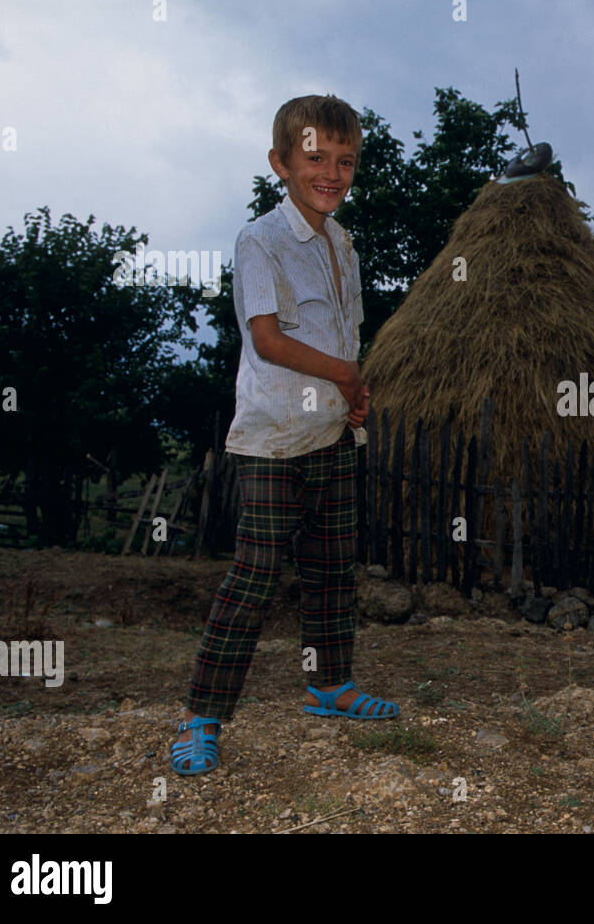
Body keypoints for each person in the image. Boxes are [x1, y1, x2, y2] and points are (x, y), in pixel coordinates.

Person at [170, 94, 399, 776]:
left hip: (330, 431)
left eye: (345, 160)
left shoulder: (344, 244)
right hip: (272, 435)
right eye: (315, 158)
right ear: (281, 162)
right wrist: (347, 373)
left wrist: (352, 397)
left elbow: (342, 335)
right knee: (256, 571)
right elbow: (267, 340)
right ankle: (202, 714)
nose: (331, 172)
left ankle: (330, 685)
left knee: (333, 566)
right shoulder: (258, 240)